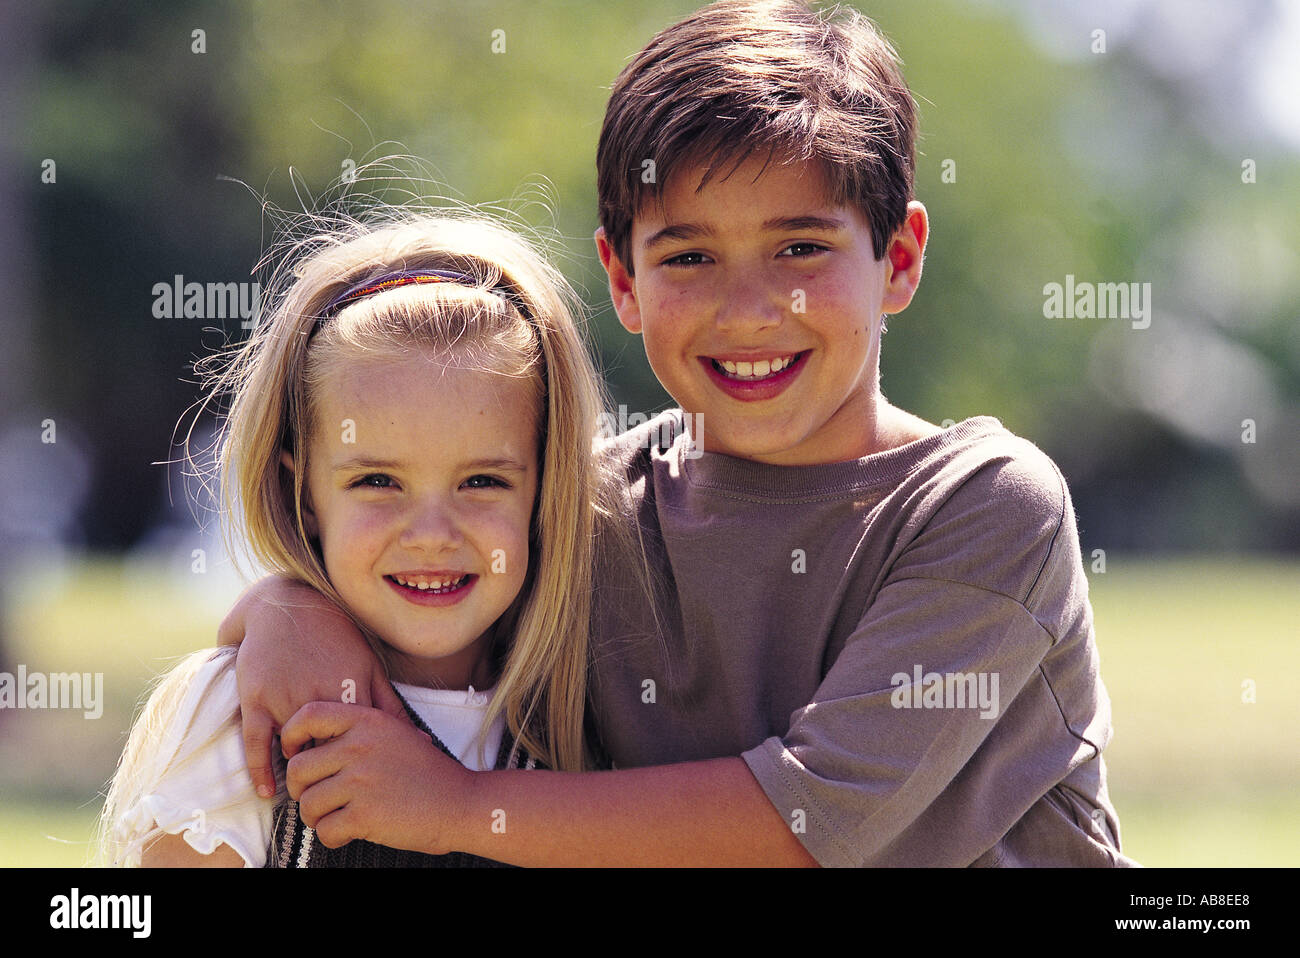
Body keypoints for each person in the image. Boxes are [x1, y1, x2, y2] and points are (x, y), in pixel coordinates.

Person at [223, 0, 1135, 866]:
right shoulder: (583, 510)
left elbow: (810, 824)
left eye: (800, 249)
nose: (746, 313)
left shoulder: (983, 504)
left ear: (897, 259)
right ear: (622, 280)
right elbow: (416, 589)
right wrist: (291, 611)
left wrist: (458, 807)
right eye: (689, 257)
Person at [100, 209, 612, 866]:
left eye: (482, 480)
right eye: (377, 481)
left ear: (547, 488)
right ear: (301, 493)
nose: (431, 535)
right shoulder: (242, 720)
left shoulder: (586, 717)